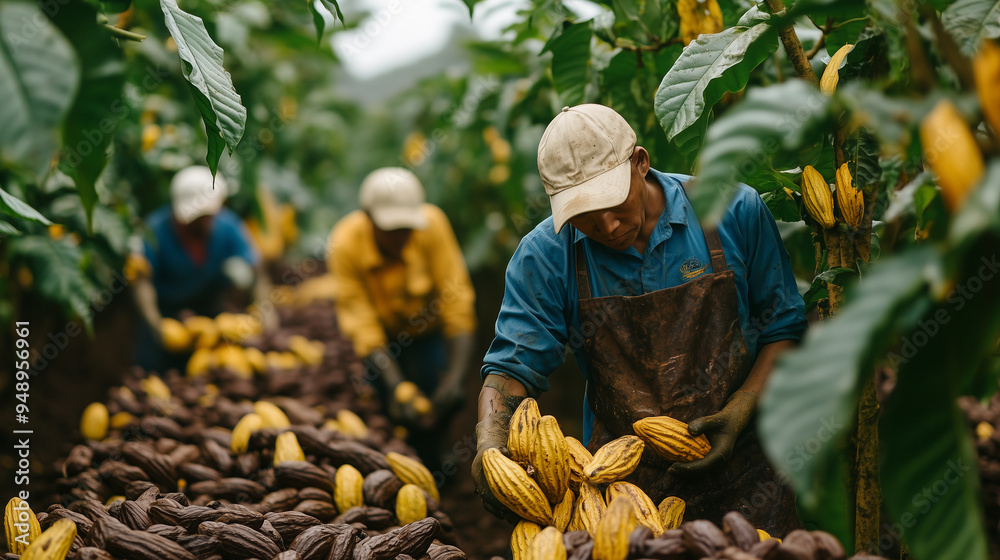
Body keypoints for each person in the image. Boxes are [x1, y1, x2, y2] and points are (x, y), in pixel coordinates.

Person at [471, 105, 807, 535]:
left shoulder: (732, 211)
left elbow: (784, 330)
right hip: (622, 489)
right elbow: (511, 369)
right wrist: (490, 443)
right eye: (584, 216)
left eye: (613, 203)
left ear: (640, 163)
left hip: (745, 467)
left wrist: (741, 409)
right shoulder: (544, 256)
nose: (608, 226)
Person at [328, 167, 476, 469]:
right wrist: (395, 385)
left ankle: (436, 455)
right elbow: (362, 323)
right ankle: (402, 458)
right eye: (391, 229)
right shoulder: (345, 243)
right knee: (388, 402)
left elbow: (456, 298)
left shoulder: (433, 226)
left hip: (427, 330)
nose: (401, 237)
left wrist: (458, 378)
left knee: (437, 393)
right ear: (367, 218)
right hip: (384, 341)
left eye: (406, 228)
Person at [131, 166, 273, 372]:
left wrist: (265, 312)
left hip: (209, 311)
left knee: (214, 371)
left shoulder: (228, 226)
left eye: (209, 214)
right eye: (199, 217)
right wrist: (157, 326)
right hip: (166, 312)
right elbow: (141, 282)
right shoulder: (155, 231)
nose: (206, 221)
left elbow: (256, 269)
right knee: (154, 372)